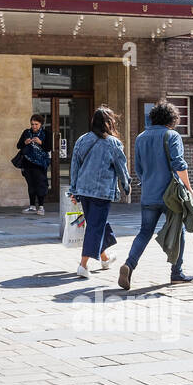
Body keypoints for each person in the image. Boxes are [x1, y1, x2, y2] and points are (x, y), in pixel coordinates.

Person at [118, 100, 193, 289]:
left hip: (149, 194)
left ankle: (129, 264)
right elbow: (179, 165)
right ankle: (176, 273)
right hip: (171, 196)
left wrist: (148, 182)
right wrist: (189, 187)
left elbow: (139, 168)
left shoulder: (141, 137)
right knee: (178, 231)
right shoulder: (172, 135)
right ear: (172, 118)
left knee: (144, 232)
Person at [67, 106, 130, 279]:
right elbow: (121, 169)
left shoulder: (82, 140)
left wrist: (73, 189)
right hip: (102, 192)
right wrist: (126, 186)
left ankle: (105, 259)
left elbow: (75, 166)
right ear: (108, 123)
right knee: (95, 226)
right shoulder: (113, 143)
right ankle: (83, 265)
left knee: (96, 223)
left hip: (84, 191)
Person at [16, 115, 51, 214]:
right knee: (31, 185)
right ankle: (32, 206)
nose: (34, 126)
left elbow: (49, 147)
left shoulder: (46, 133)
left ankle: (41, 207)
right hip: (27, 163)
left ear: (41, 124)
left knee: (40, 184)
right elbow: (18, 145)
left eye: (36, 124)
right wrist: (25, 142)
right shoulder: (26, 132)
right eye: (32, 124)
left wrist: (40, 142)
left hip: (40, 164)